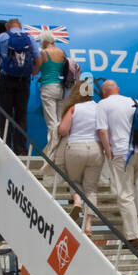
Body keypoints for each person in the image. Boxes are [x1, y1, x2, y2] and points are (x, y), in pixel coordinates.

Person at [97, 80, 138, 247]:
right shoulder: (134, 101)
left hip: (121, 152)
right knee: (132, 184)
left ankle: (133, 237)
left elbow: (102, 130)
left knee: (124, 194)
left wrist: (107, 150)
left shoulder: (103, 105)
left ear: (104, 92)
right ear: (118, 89)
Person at [0, 18, 38, 154]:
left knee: (5, 114)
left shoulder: (2, 37)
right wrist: (34, 71)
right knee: (21, 115)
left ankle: (5, 147)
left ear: (7, 27)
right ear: (20, 27)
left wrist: (1, 64)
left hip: (6, 81)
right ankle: (20, 149)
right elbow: (38, 58)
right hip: (24, 81)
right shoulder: (29, 38)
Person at [58, 88, 105, 233]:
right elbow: (103, 130)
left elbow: (63, 130)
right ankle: (88, 226)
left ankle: (77, 200)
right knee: (91, 188)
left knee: (73, 179)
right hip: (96, 149)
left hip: (76, 148)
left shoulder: (74, 108)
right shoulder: (99, 109)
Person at [35, 31, 67, 154]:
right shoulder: (62, 53)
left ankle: (52, 151)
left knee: (51, 122)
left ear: (44, 41)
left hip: (48, 87)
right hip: (60, 87)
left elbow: (36, 70)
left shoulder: (43, 53)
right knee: (60, 121)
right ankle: (61, 149)